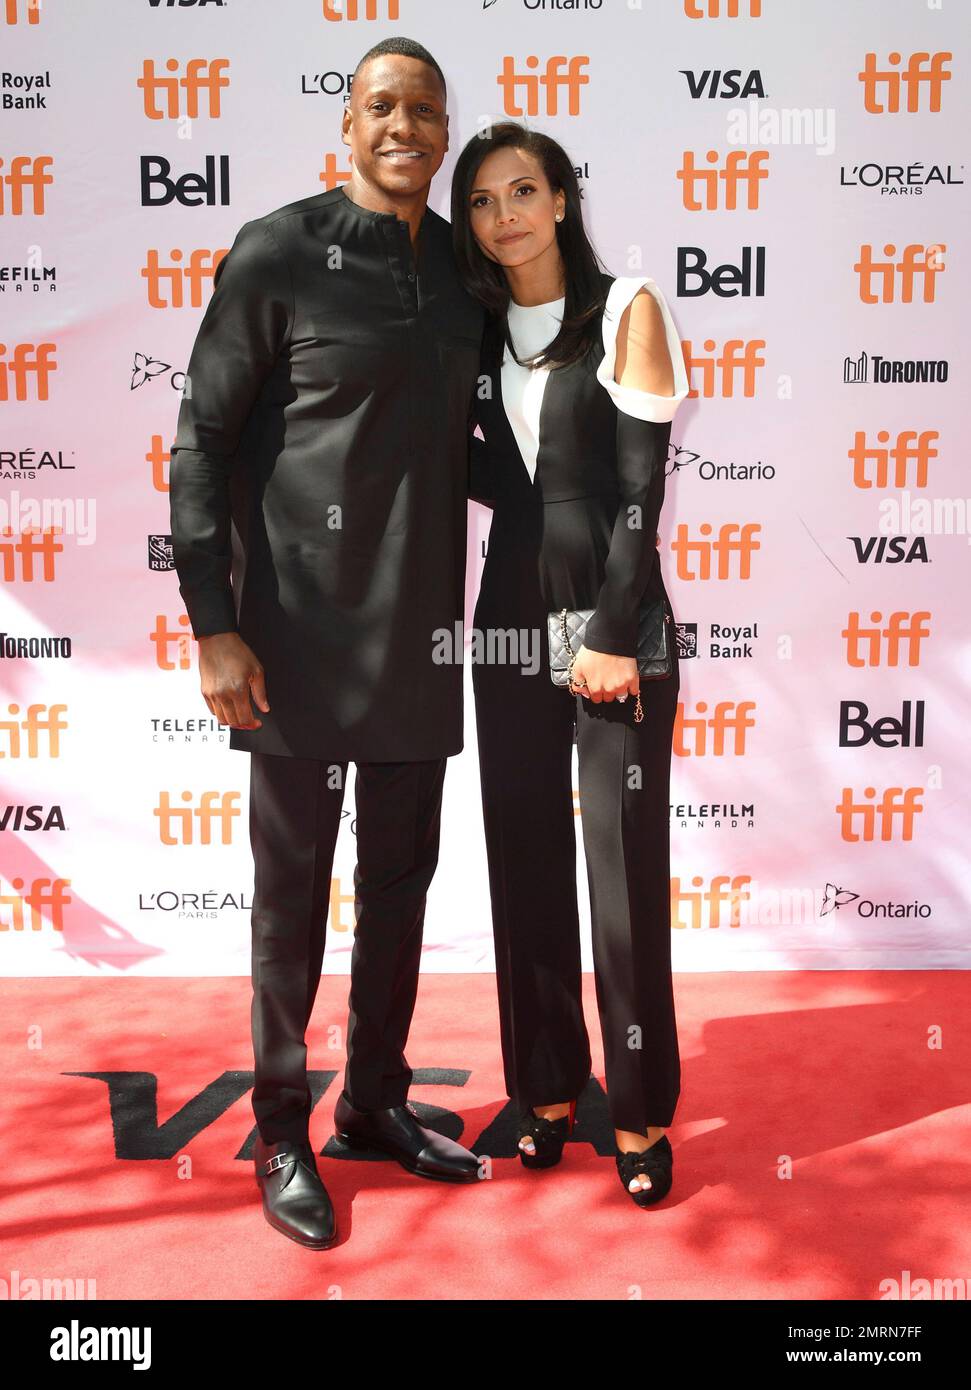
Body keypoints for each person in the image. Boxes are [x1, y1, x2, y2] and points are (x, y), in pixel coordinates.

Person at [168, 38, 485, 1251]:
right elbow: (201, 442)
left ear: (443, 133)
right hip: (289, 633)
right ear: (346, 123)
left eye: (426, 112)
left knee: (400, 884)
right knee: (289, 898)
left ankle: (375, 1102)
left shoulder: (461, 270)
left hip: (417, 630)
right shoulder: (276, 251)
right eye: (383, 107)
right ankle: (286, 1127)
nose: (406, 127)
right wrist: (215, 625)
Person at [452, 122, 690, 1206]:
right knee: (525, 855)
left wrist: (604, 631)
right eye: (483, 200)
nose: (504, 214)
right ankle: (544, 1089)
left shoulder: (625, 307)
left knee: (623, 876)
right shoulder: (474, 331)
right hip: (505, 614)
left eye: (521, 191)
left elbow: (641, 492)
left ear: (558, 200)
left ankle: (638, 1114)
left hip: (609, 611)